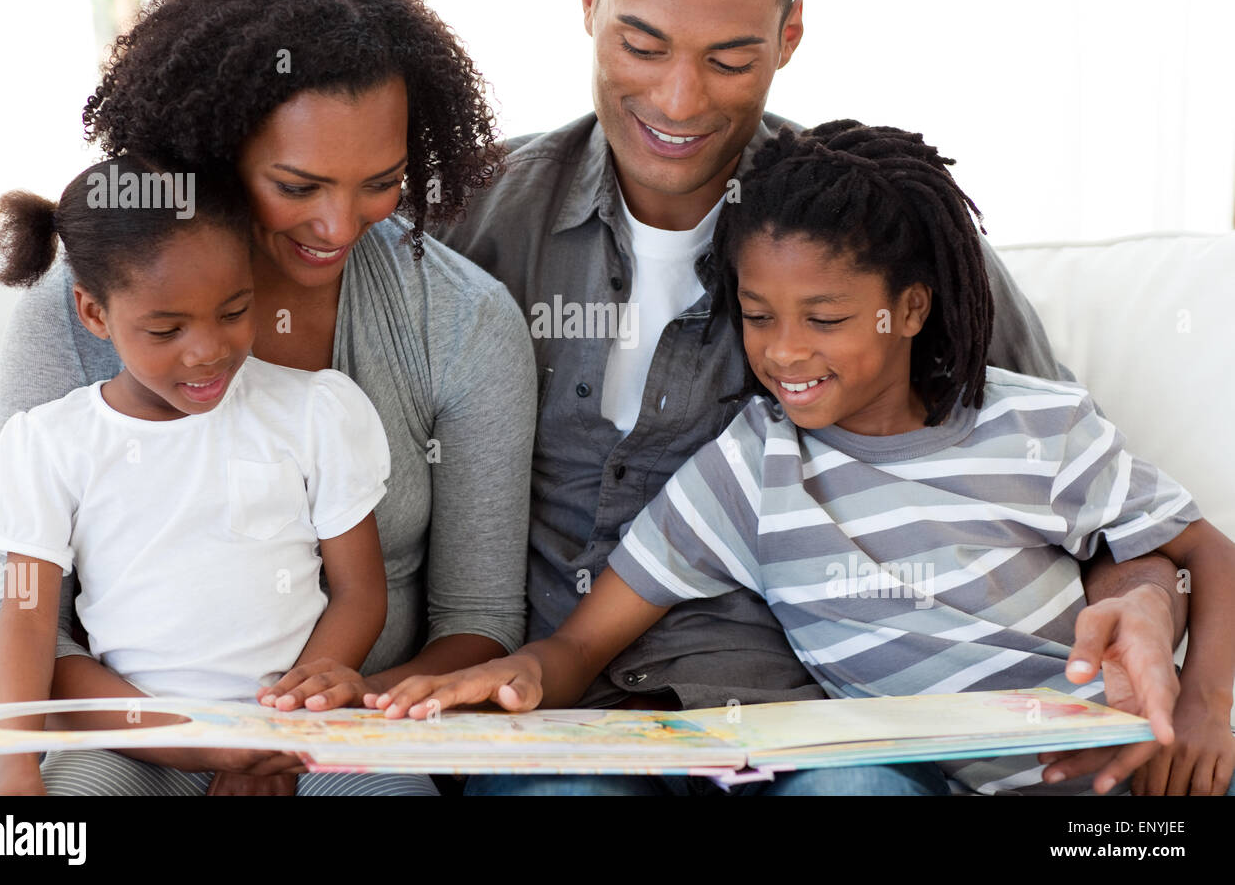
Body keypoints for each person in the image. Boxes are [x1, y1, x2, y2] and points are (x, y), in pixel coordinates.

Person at [421, 0, 1193, 794]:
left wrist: (1148, 606)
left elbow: (1094, 508)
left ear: (789, 35)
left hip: (802, 737)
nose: (678, 100)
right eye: (642, 42)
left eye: (731, 57)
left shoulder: (873, 237)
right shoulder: (470, 221)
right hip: (564, 725)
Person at [377, 121, 1235, 796]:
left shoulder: (1036, 424)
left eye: (824, 320)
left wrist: (1203, 710)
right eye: (757, 316)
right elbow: (583, 643)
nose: (785, 352)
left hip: (1141, 761)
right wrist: (516, 677)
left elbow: (1207, 554)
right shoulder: (749, 472)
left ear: (908, 309)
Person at [0, 0, 536, 796]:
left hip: (334, 734)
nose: (339, 225)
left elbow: (477, 621)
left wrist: (321, 712)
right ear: (215, 153)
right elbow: (30, 625)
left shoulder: (461, 324)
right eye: (298, 186)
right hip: (104, 733)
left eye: (380, 181)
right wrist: (198, 743)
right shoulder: (82, 308)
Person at [0, 155, 438, 796]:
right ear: (93, 314)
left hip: (298, 737)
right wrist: (17, 768)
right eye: (166, 329)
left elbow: (360, 592)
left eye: (233, 311)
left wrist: (286, 726)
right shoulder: (49, 444)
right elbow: (27, 623)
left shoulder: (313, 411)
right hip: (134, 745)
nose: (208, 351)